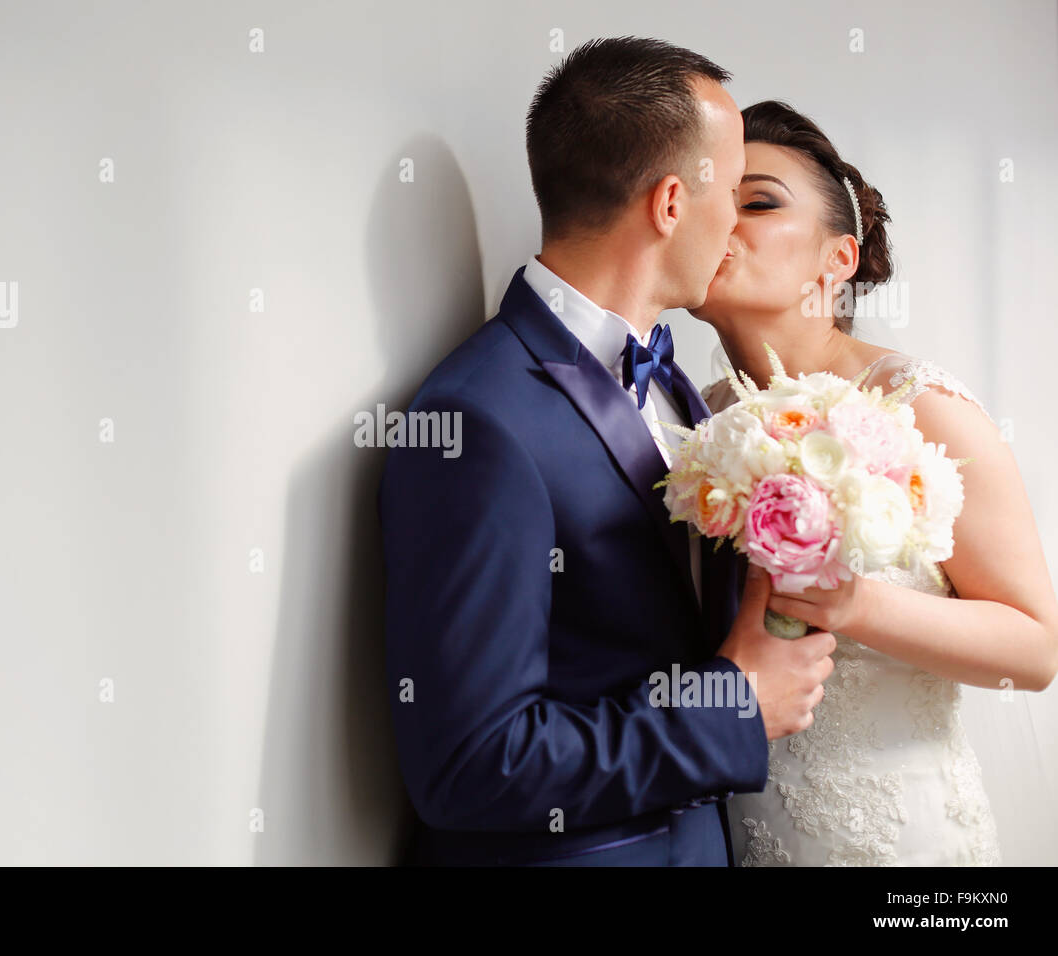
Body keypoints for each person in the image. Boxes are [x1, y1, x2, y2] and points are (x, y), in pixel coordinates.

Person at [378, 38, 835, 867]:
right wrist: (732, 708)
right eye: (732, 193)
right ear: (669, 203)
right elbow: (471, 765)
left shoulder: (684, 389)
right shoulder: (475, 423)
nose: (734, 223)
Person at [692, 100, 1058, 865]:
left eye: (757, 201)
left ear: (839, 259)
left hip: (902, 843)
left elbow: (1035, 648)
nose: (726, 223)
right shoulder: (700, 423)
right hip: (747, 834)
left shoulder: (922, 406)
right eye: (714, 199)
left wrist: (854, 602)